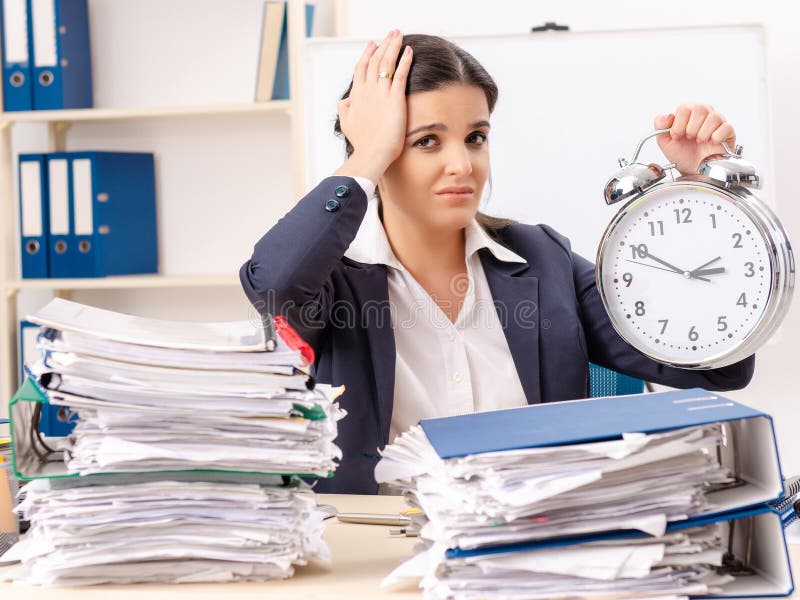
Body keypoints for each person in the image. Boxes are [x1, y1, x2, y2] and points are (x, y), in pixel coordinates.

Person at [240, 31, 754, 494]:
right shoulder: (331, 277)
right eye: (425, 141)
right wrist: (365, 157)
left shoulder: (541, 260)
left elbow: (716, 366)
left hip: (530, 554)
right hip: (374, 555)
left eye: (475, 137)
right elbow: (273, 285)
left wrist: (708, 202)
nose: (462, 164)